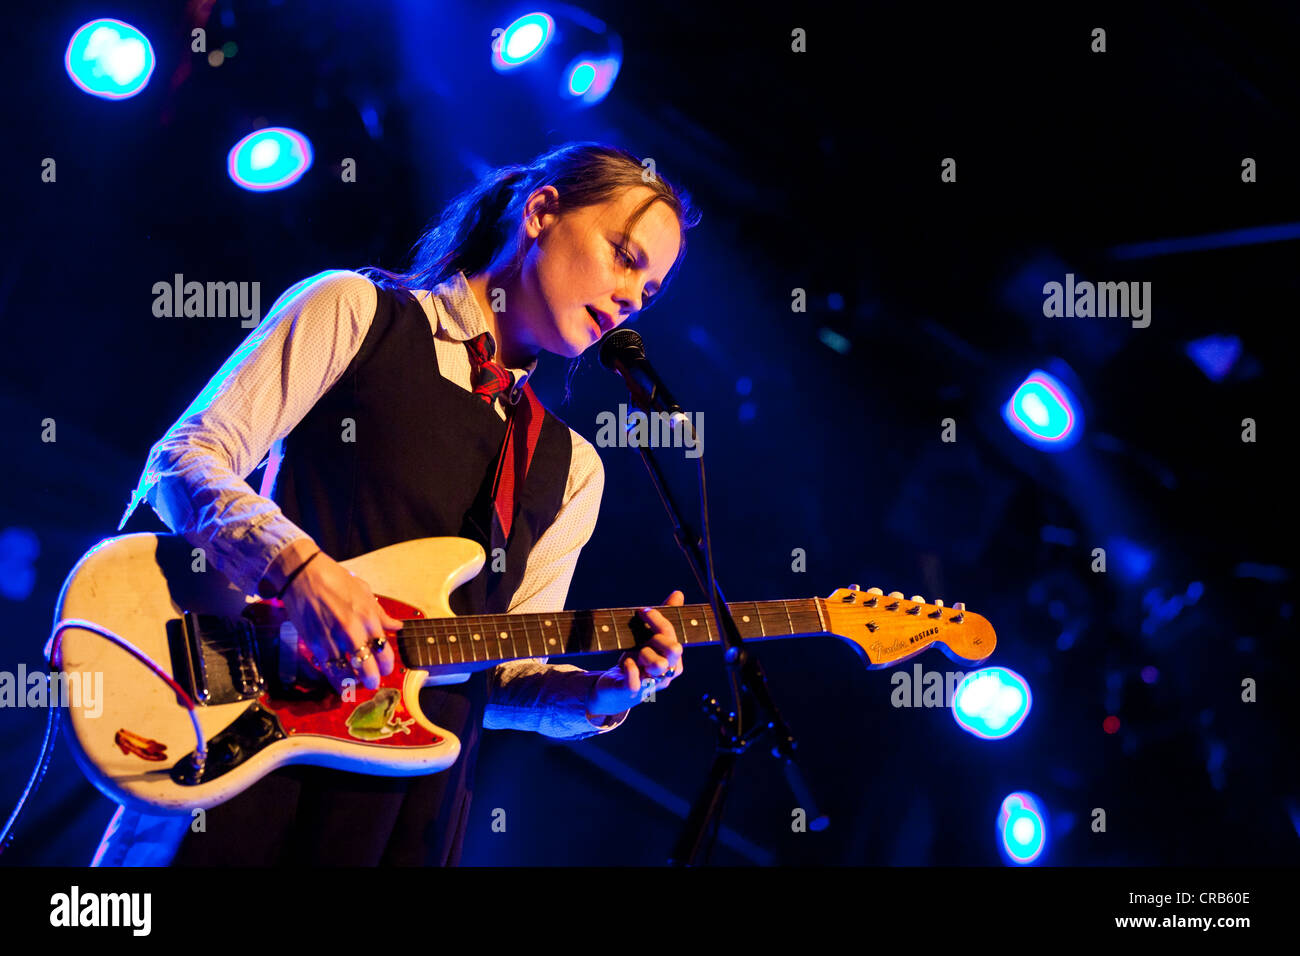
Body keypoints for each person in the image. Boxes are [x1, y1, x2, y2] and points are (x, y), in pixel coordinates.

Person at [93, 141, 703, 865]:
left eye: (653, 290)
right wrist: (298, 570)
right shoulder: (358, 311)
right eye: (625, 256)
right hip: (245, 741)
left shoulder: (574, 469)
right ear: (540, 211)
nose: (636, 296)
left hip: (403, 814)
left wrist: (594, 697)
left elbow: (493, 680)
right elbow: (182, 459)